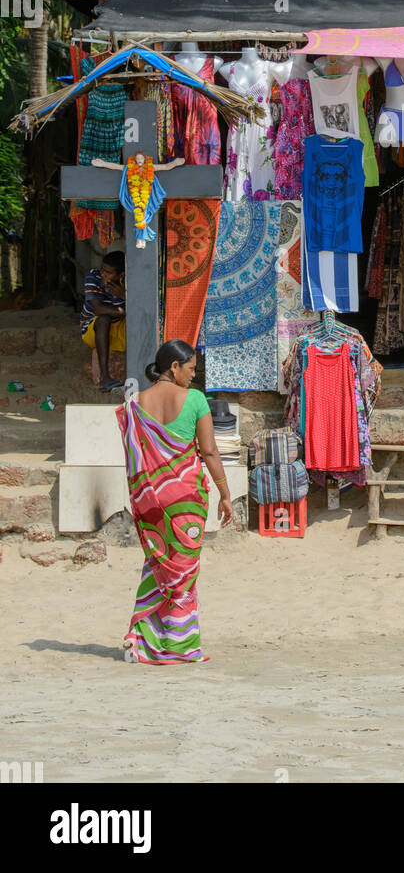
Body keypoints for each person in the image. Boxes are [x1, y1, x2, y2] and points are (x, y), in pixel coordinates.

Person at [115, 339, 233, 665]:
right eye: (192, 368)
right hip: (187, 499)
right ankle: (179, 645)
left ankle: (143, 642)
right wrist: (225, 494)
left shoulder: (135, 404)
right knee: (184, 573)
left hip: (151, 499)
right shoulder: (195, 400)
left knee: (157, 564)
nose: (195, 375)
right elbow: (209, 451)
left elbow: (135, 456)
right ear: (174, 367)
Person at [80, 251, 126, 391]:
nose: (103, 274)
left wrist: (124, 295)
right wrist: (124, 310)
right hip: (92, 330)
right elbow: (98, 309)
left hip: (119, 329)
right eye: (102, 270)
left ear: (121, 275)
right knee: (104, 319)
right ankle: (105, 377)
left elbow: (142, 309)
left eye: (109, 272)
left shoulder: (131, 280)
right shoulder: (93, 277)